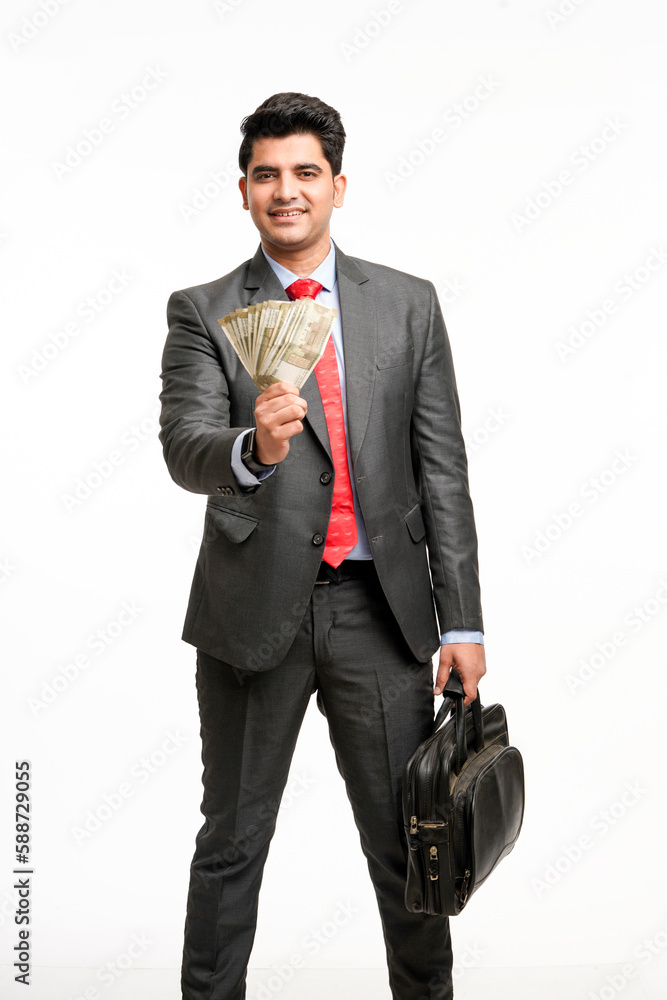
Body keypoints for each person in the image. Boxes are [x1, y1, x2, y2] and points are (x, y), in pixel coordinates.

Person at [159, 91, 486, 1000]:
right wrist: (251, 449)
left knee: (412, 850)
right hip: (250, 613)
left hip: (381, 616)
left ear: (337, 185)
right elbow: (184, 449)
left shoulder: (408, 305)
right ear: (243, 191)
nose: (286, 191)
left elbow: (442, 472)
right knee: (231, 843)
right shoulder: (204, 309)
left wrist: (462, 620)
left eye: (304, 172)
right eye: (267, 174)